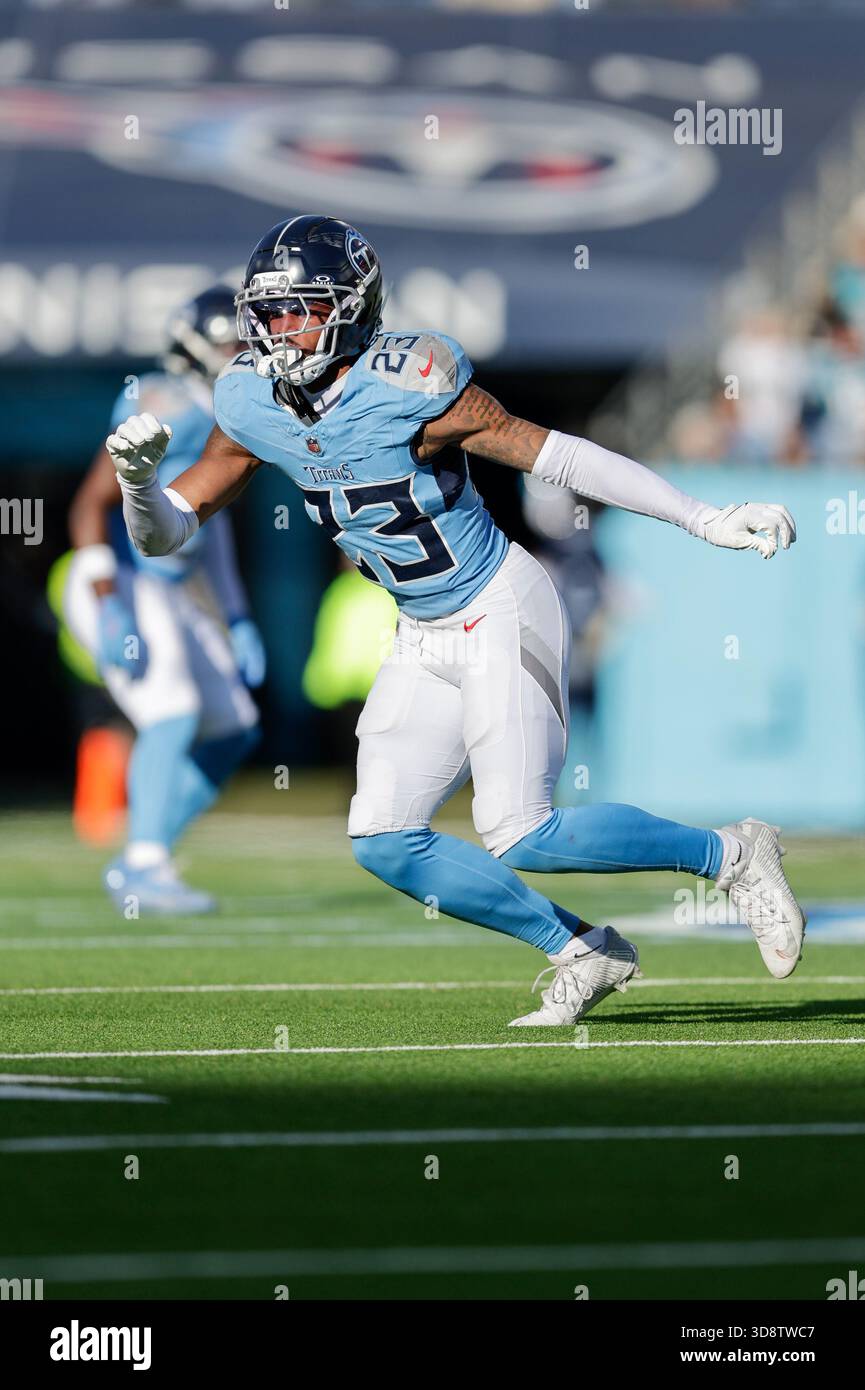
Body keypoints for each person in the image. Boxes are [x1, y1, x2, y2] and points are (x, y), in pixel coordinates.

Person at [105, 216, 804, 1021]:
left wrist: (702, 517)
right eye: (265, 313)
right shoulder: (249, 401)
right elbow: (167, 534)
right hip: (419, 628)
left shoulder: (411, 382)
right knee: (384, 839)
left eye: (298, 309)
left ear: (352, 309)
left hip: (495, 603)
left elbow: (560, 455)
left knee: (521, 830)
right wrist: (138, 486)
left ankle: (732, 853)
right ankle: (581, 948)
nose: (276, 331)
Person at [66, 286, 265, 916]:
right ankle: (148, 863)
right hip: (123, 579)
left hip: (178, 587)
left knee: (234, 726)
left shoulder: (241, 407)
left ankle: (140, 856)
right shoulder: (162, 397)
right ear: (192, 345)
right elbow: (91, 503)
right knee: (173, 712)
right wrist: (108, 604)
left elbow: (215, 526)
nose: (243, 351)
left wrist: (235, 617)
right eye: (230, 340)